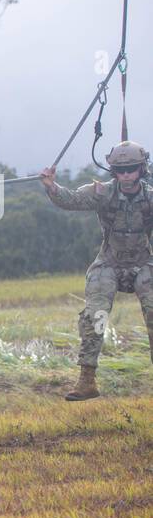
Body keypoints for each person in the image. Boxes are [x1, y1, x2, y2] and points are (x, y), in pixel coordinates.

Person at [40, 141, 153, 400]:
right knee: (94, 316)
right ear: (113, 171)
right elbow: (71, 200)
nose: (126, 175)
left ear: (141, 169)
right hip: (109, 262)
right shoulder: (102, 192)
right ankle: (87, 380)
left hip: (144, 262)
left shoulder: (151, 196)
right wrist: (51, 187)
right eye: (120, 170)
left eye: (132, 169)